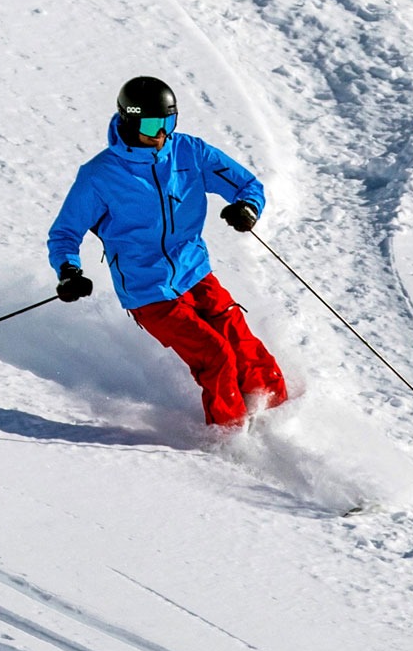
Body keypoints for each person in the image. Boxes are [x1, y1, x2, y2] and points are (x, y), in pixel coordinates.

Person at [48, 76, 289, 428]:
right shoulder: (100, 176)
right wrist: (69, 271)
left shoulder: (190, 153)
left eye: (169, 123)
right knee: (215, 353)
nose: (161, 133)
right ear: (130, 122)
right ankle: (230, 434)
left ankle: (281, 415)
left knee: (239, 337)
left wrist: (246, 208)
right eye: (151, 124)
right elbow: (64, 234)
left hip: (194, 270)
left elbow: (247, 185)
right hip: (147, 290)